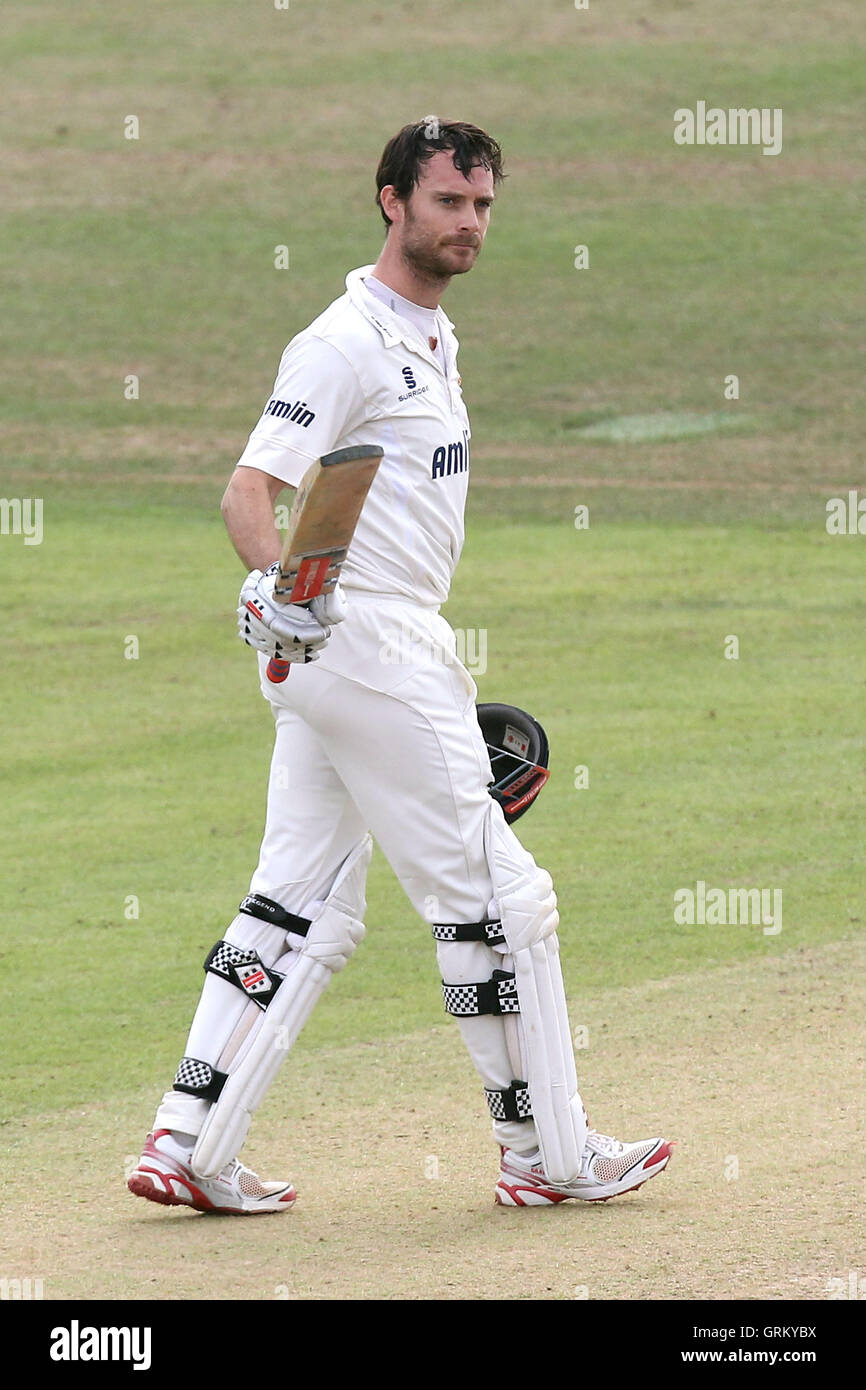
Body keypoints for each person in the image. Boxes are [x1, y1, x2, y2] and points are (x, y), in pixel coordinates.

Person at [128, 117, 673, 1214]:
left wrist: (297, 615)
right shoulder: (343, 340)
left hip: (354, 646)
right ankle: (550, 1157)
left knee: (302, 903)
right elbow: (251, 493)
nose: (465, 224)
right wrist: (277, 590)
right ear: (391, 202)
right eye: (444, 204)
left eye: (480, 206)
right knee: (500, 900)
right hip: (364, 635)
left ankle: (185, 1144)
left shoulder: (427, 335)